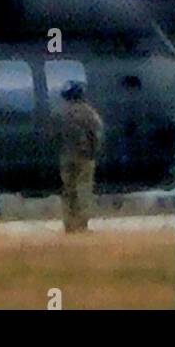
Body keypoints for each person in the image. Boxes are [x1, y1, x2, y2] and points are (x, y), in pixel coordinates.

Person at [58, 80, 104, 233]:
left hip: (65, 156)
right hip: (85, 157)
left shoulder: (60, 113)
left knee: (68, 191)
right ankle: (82, 225)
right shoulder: (88, 112)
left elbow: (53, 135)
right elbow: (97, 133)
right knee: (83, 189)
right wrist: (94, 151)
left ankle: (69, 225)